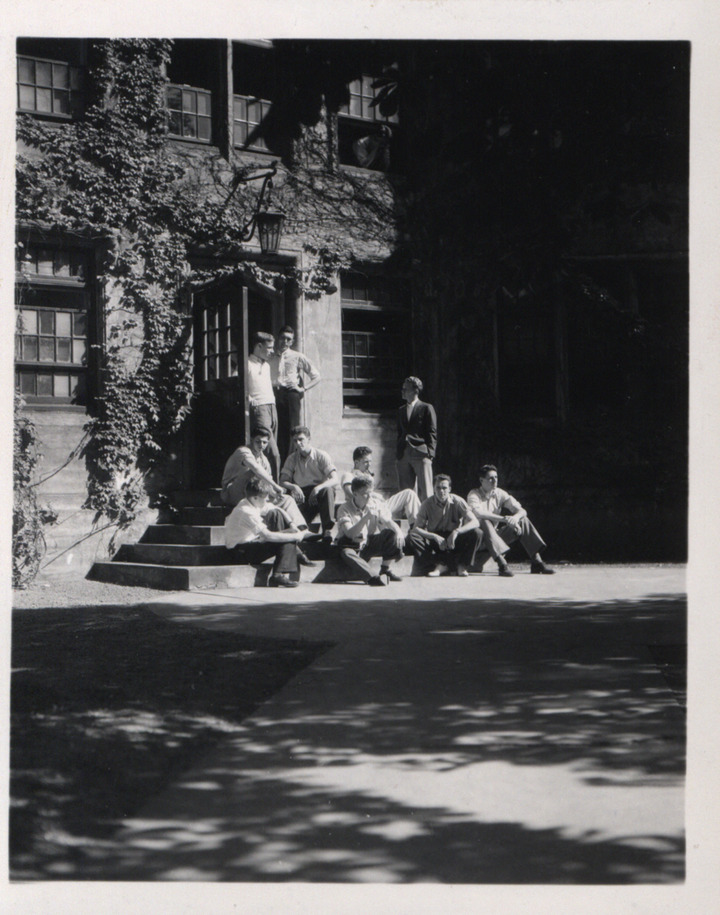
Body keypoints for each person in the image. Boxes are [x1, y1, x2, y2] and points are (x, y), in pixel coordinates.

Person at [220, 426, 316, 566]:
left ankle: (302, 529)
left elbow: (266, 484)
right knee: (255, 473)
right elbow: (257, 470)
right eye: (258, 441)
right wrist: (277, 486)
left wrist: (276, 494)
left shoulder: (264, 459)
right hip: (232, 493)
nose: (261, 445)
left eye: (265, 442)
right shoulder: (243, 451)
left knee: (287, 499)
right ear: (251, 440)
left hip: (254, 496)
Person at [467, 464, 555, 577]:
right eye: (490, 478)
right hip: (477, 542)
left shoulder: (499, 493)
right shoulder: (474, 494)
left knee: (523, 520)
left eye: (496, 477)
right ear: (481, 480)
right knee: (484, 521)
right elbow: (479, 513)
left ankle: (537, 561)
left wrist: (515, 518)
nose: (495, 481)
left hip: (494, 538)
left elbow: (522, 510)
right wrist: (505, 520)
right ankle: (502, 565)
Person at [224, 478, 304, 588]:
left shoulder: (251, 501)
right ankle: (277, 575)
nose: (267, 501)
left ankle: (295, 553)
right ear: (255, 497)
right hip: (239, 552)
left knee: (276, 514)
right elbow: (267, 535)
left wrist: (291, 524)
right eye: (265, 498)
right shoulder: (245, 511)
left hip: (251, 542)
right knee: (287, 540)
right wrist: (296, 536)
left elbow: (277, 509)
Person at [335, 475, 405, 586]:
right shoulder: (344, 509)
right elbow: (350, 534)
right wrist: (366, 517)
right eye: (365, 494)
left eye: (370, 493)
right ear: (355, 494)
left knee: (390, 533)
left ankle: (385, 569)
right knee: (346, 553)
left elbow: (388, 521)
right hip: (350, 545)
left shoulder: (374, 504)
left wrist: (399, 532)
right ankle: (374, 577)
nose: (369, 497)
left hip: (367, 543)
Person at [407, 474, 479, 577]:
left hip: (453, 538)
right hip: (435, 538)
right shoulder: (427, 504)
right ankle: (440, 564)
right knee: (412, 537)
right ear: (434, 489)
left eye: (444, 488)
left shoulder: (457, 501)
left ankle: (462, 565)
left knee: (477, 533)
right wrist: (433, 536)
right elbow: (416, 528)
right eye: (438, 488)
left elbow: (475, 522)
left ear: (450, 488)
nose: (441, 491)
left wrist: (457, 532)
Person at [271, 325, 321, 461]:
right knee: (275, 429)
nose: (285, 342)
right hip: (273, 394)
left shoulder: (297, 356)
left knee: (292, 430)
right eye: (282, 338)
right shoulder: (270, 356)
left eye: (288, 339)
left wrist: (302, 389)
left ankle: (289, 463)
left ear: (292, 342)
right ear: (277, 338)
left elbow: (316, 376)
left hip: (290, 395)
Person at [280, 425, 338, 538]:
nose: (298, 443)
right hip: (302, 495)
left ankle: (327, 530)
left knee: (328, 490)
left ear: (309, 439)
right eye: (295, 441)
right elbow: (282, 481)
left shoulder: (321, 455)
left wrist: (318, 488)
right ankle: (301, 531)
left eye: (301, 439)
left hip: (320, 493)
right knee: (296, 522)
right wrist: (294, 487)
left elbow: (335, 479)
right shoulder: (292, 458)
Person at [341, 445, 421, 524]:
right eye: (366, 462)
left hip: (379, 506)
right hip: (365, 510)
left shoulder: (367, 476)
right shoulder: (348, 475)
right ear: (356, 462)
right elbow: (351, 493)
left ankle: (415, 527)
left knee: (409, 494)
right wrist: (372, 496)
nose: (369, 465)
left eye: (370, 461)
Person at [396, 376, 437, 501]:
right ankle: (408, 518)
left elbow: (432, 431)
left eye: (405, 389)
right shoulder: (401, 410)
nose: (402, 391)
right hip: (404, 453)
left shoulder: (426, 408)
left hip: (421, 452)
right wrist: (399, 452)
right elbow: (400, 432)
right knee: (405, 491)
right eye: (402, 389)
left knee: (426, 490)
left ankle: (428, 517)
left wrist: (430, 453)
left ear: (416, 391)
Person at [247, 331, 280, 479]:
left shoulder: (266, 366)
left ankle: (269, 487)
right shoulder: (247, 364)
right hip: (259, 408)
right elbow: (238, 384)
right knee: (272, 452)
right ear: (259, 346)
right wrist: (248, 398)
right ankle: (275, 490)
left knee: (270, 451)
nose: (272, 351)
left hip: (272, 407)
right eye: (269, 348)